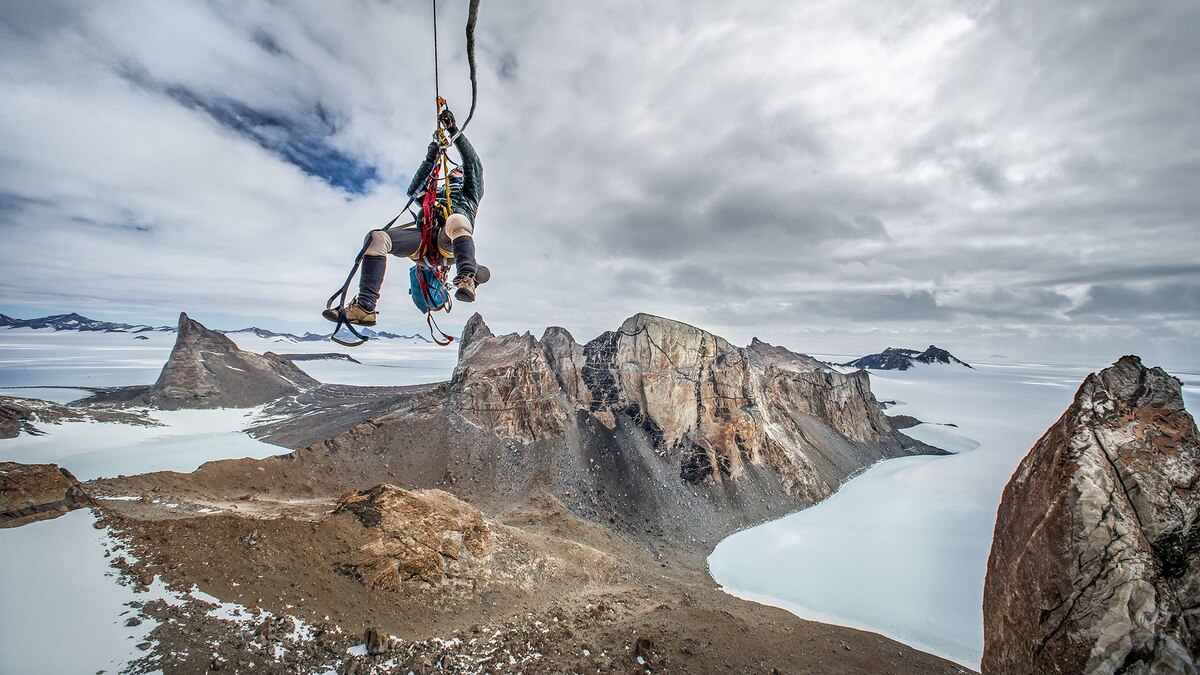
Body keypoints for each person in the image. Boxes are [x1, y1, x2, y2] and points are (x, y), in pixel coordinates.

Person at [325, 108, 485, 327]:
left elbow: (472, 163)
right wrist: (431, 157)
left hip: (449, 241)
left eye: (458, 172)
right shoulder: (433, 196)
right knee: (377, 239)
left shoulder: (470, 193)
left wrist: (453, 131)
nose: (454, 173)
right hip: (425, 238)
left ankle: (467, 276)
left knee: (457, 221)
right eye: (452, 172)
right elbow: (414, 191)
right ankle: (365, 307)